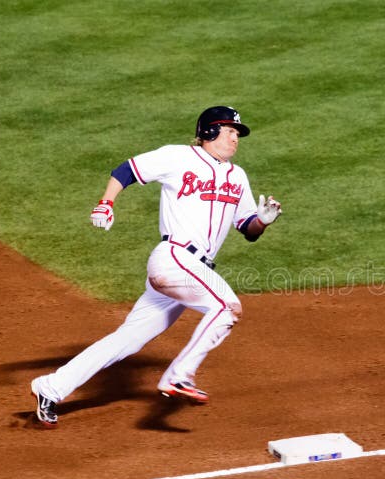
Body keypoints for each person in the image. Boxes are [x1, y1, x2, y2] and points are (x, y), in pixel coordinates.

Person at [30, 105, 282, 427]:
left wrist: (262, 220)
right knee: (227, 308)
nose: (236, 138)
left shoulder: (238, 176)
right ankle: (179, 376)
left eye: (237, 133)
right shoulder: (179, 157)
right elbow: (127, 170)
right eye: (230, 131)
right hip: (175, 258)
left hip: (190, 272)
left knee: (128, 339)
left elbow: (247, 229)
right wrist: (106, 203)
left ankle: (50, 387)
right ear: (208, 132)